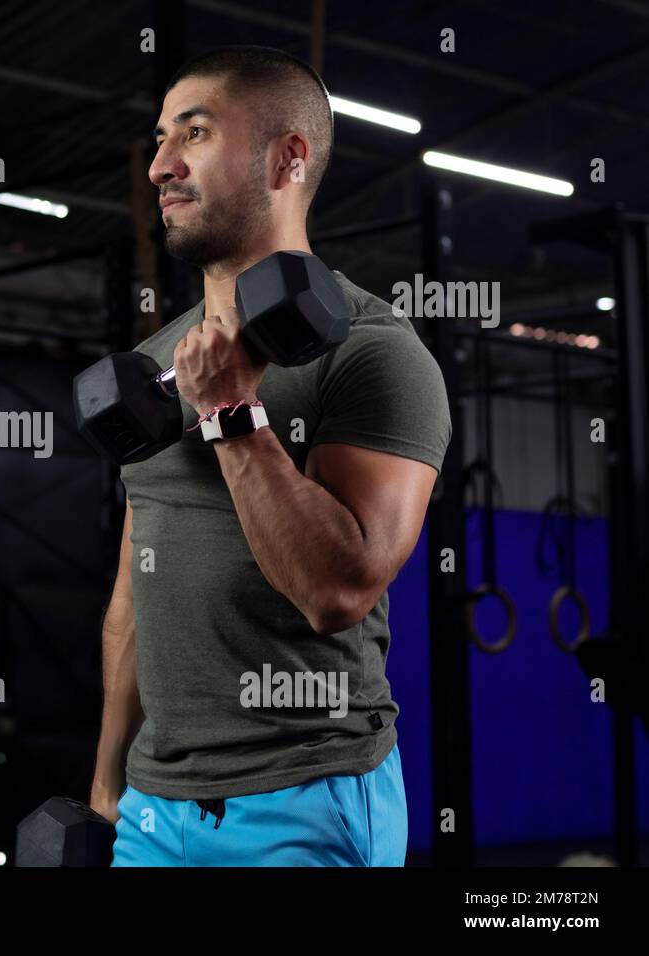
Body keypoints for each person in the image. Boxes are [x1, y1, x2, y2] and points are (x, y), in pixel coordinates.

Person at [90, 45, 451, 866]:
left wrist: (228, 410)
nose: (159, 166)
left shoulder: (374, 353)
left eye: (194, 134)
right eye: (158, 139)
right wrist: (109, 778)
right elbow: (134, 590)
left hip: (304, 797)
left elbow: (338, 588)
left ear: (288, 157)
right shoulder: (151, 365)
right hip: (155, 806)